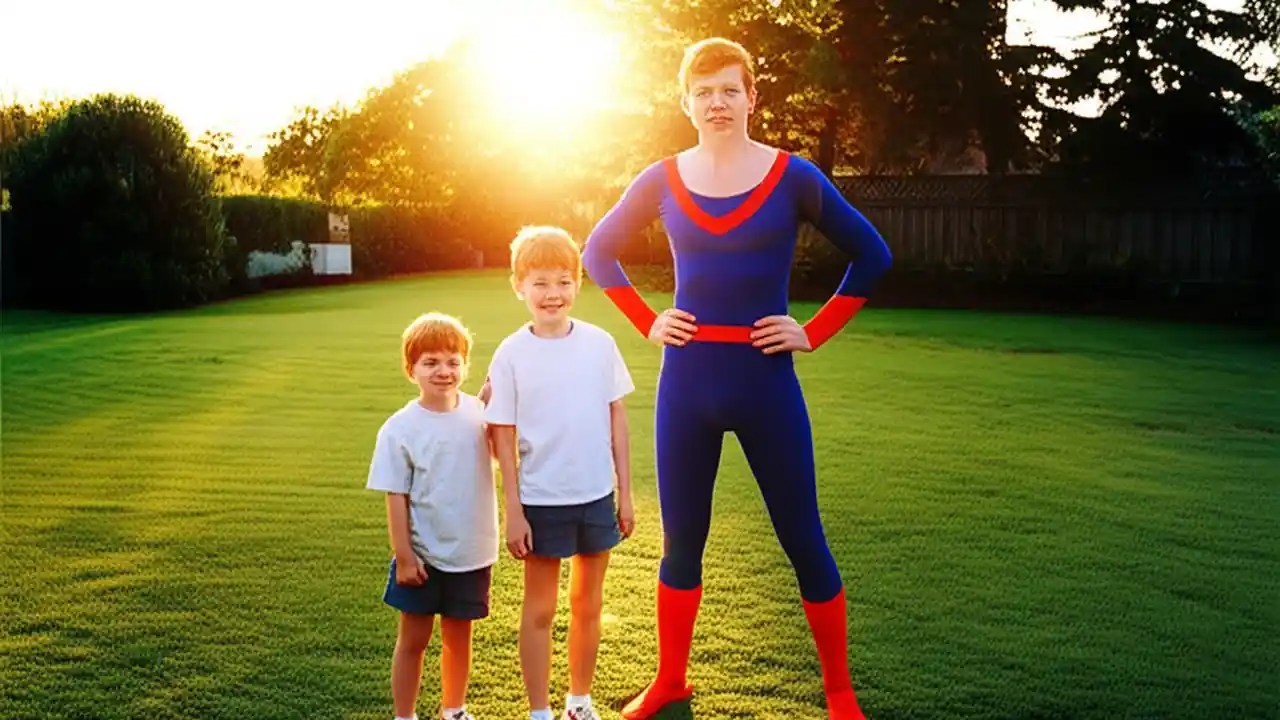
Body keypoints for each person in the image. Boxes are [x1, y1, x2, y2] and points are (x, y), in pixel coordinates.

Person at [580, 37, 893, 720]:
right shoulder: (661, 178)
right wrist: (646, 321)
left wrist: (812, 330)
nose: (717, 102)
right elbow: (598, 252)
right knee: (682, 541)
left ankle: (840, 695)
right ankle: (670, 681)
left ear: (753, 97)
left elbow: (873, 254)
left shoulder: (795, 177)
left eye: (730, 89)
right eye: (703, 91)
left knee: (802, 536)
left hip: (766, 385)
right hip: (685, 386)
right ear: (685, 102)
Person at [485, 226, 638, 720]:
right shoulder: (511, 352)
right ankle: (539, 711)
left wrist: (626, 495)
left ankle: (579, 701)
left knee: (588, 604)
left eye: (563, 281)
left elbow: (617, 420)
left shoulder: (599, 343)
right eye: (541, 283)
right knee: (541, 610)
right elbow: (502, 436)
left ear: (578, 283)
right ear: (518, 286)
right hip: (541, 499)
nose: (553, 294)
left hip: (595, 494)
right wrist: (513, 510)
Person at [365, 312, 500, 720]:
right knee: (414, 640)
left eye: (453, 361)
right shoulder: (400, 428)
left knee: (459, 638)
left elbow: (503, 455)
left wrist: (497, 406)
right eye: (431, 362)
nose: (444, 371)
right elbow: (395, 495)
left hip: (472, 551)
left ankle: (453, 710)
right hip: (422, 556)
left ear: (465, 365)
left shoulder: (480, 414)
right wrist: (403, 555)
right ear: (411, 370)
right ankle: (404, 716)